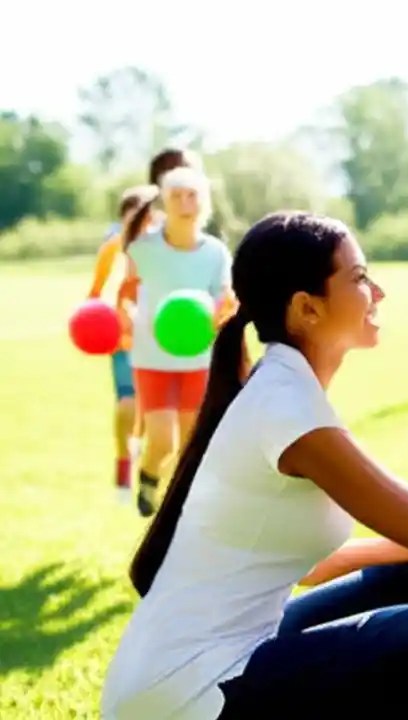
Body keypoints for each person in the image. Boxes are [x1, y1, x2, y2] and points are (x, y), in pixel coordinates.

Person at [101, 209, 408, 719]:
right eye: (359, 278)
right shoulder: (288, 410)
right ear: (307, 309)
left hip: (216, 661)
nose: (379, 293)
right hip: (185, 693)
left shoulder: (283, 388)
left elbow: (309, 566)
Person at [121, 166, 233, 518]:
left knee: (190, 441)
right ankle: (149, 473)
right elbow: (124, 293)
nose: (185, 202)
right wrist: (123, 315)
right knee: (162, 438)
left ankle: (180, 510)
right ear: (164, 204)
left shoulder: (215, 252)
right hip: (151, 356)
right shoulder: (143, 249)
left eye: (192, 195)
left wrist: (223, 311)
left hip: (198, 358)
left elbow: (225, 297)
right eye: (176, 196)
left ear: (205, 203)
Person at [87, 186, 159, 501]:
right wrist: (98, 322)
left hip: (160, 343)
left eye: (146, 214)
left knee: (150, 411)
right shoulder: (112, 248)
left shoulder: (166, 249)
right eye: (134, 214)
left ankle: (143, 456)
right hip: (123, 341)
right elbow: (95, 292)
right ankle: (122, 465)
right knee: (126, 403)